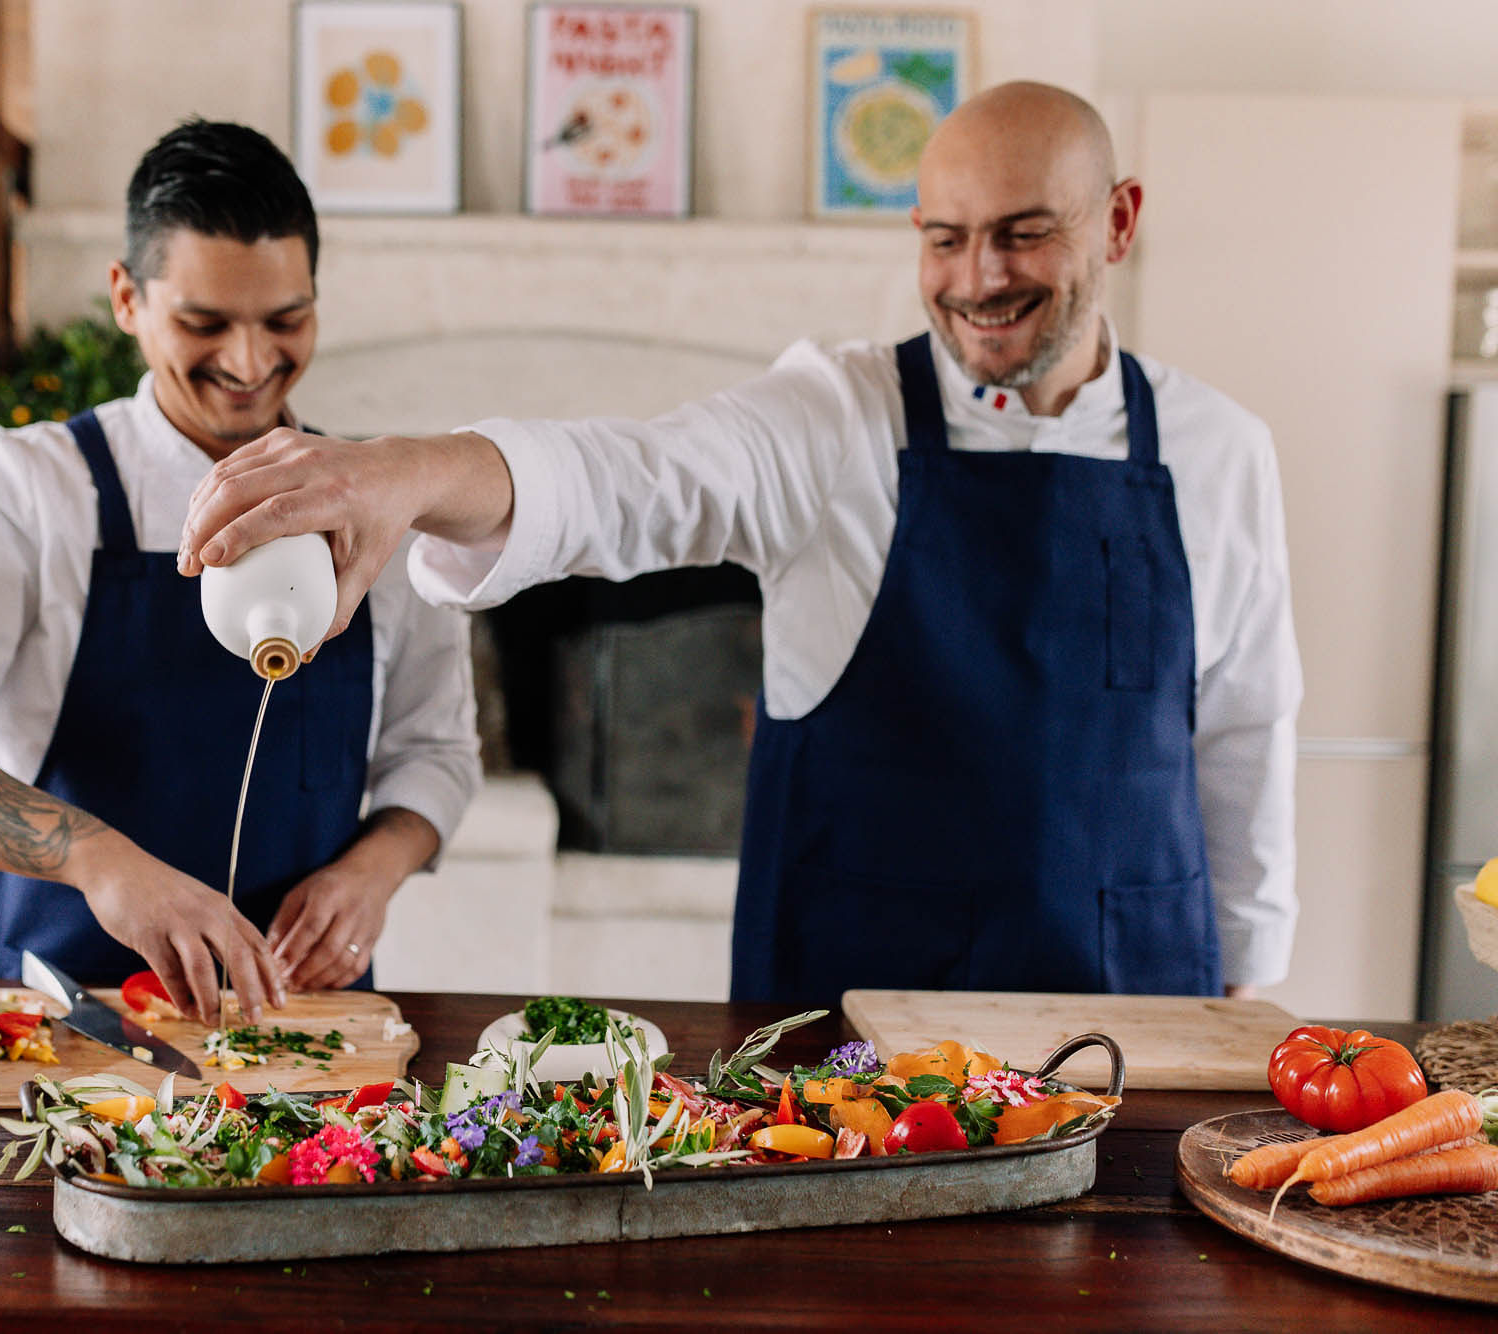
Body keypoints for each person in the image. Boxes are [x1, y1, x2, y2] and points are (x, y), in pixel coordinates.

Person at [179, 82, 1302, 1005]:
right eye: (945, 239)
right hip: (858, 1029)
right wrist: (411, 471)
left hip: (1129, 1003)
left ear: (1117, 222)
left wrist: (1248, 974)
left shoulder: (1219, 449)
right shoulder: (838, 416)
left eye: (1023, 233)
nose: (978, 279)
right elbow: (631, 477)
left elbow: (1246, 729)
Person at [0, 119, 481, 1025]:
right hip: (41, 1022)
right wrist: (97, 859)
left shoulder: (380, 505)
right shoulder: (30, 488)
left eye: (285, 320)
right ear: (127, 299)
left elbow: (435, 752)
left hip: (293, 1031)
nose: (249, 363)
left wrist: (373, 870)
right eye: (204, 323)